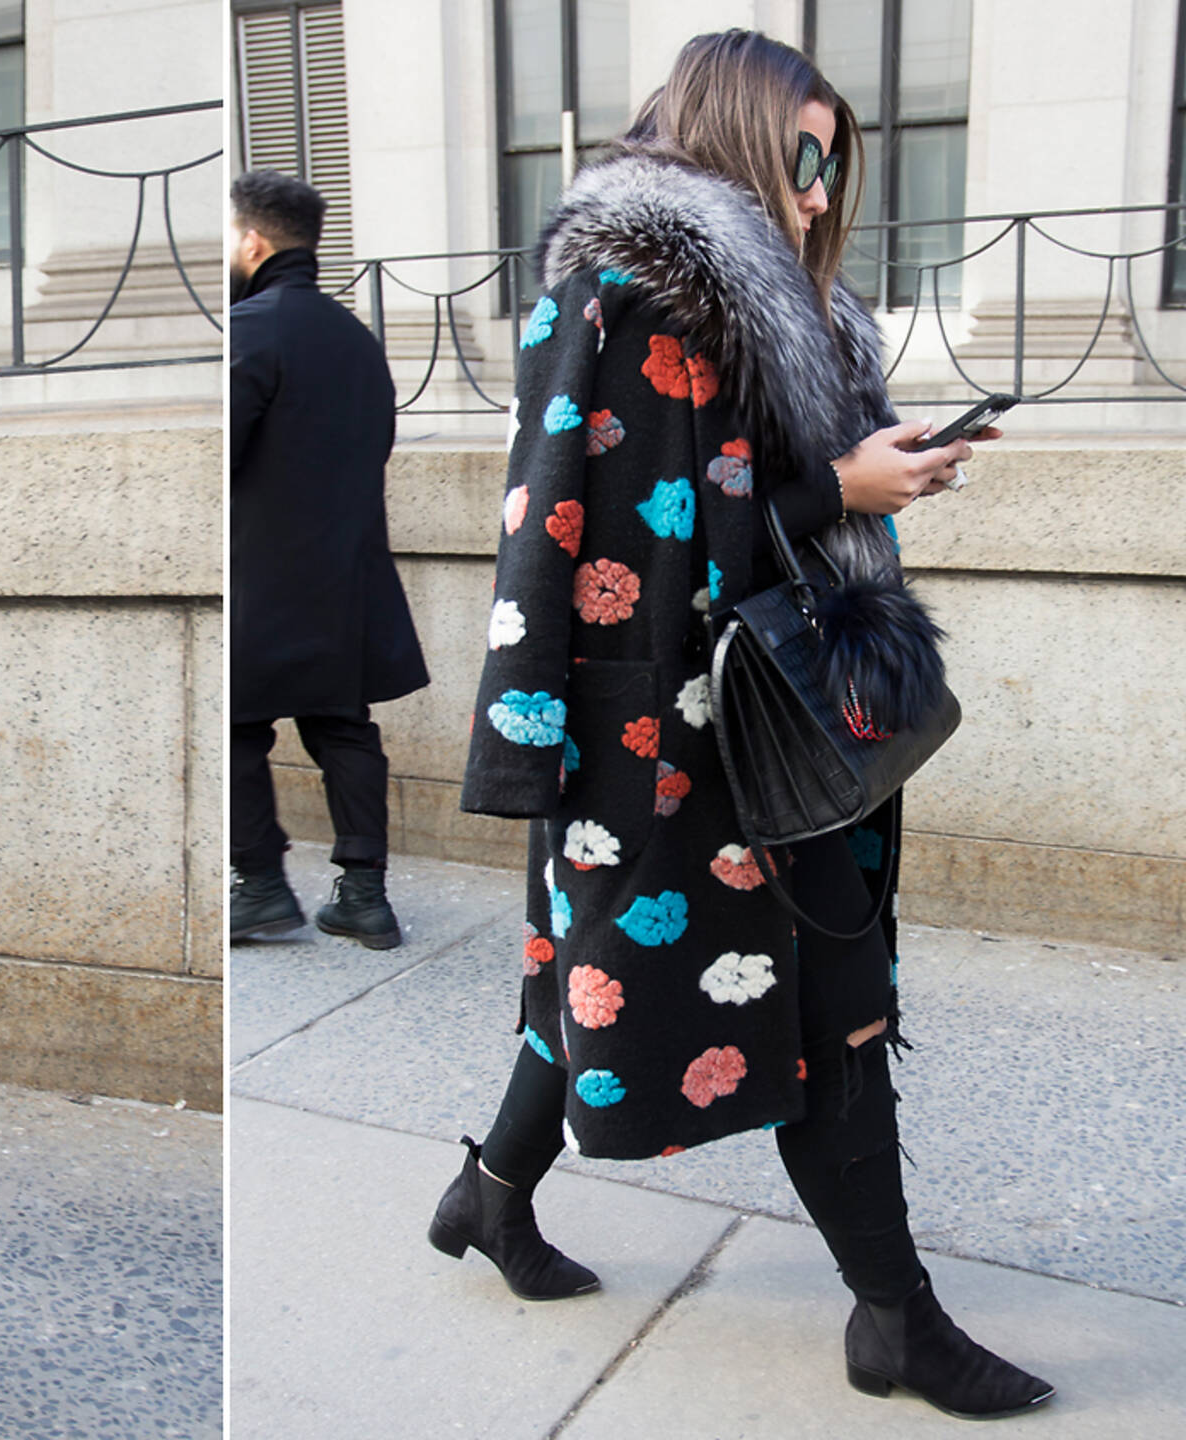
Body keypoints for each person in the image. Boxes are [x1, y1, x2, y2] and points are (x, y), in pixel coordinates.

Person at [426, 30, 1053, 1422]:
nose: (824, 195)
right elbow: (631, 555)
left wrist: (878, 478)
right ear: (739, 134)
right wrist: (843, 491)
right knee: (825, 1010)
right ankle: (898, 1324)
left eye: (836, 165)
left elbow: (748, 502)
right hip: (677, 743)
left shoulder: (785, 308)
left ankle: (487, 1193)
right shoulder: (632, 293)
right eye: (807, 159)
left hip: (766, 714)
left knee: (602, 977)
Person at [229, 170, 429, 950]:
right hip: (347, 575)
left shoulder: (253, 328)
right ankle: (365, 896)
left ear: (252, 241)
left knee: (241, 728)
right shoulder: (358, 339)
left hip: (263, 573)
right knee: (344, 726)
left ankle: (263, 887)